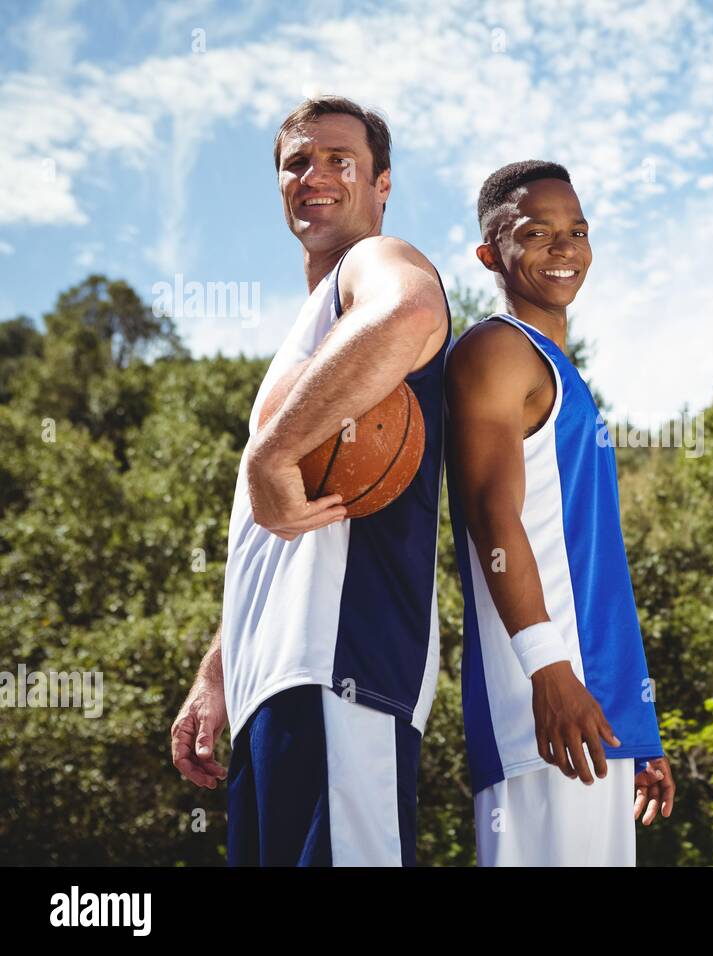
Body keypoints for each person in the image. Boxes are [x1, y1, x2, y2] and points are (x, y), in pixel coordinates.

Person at [169, 96, 450, 866]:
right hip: (276, 680)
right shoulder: (309, 333)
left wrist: (268, 454)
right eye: (298, 162)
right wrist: (220, 670)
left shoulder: (374, 264)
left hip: (346, 669)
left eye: (340, 159)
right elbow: (279, 533)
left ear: (381, 182)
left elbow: (413, 311)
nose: (315, 174)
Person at [444, 160, 675, 866]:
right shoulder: (495, 350)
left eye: (576, 231)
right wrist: (548, 671)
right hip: (540, 712)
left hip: (595, 711)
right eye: (537, 232)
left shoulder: (561, 375)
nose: (564, 248)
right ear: (490, 254)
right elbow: (493, 516)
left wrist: (639, 732)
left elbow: (593, 568)